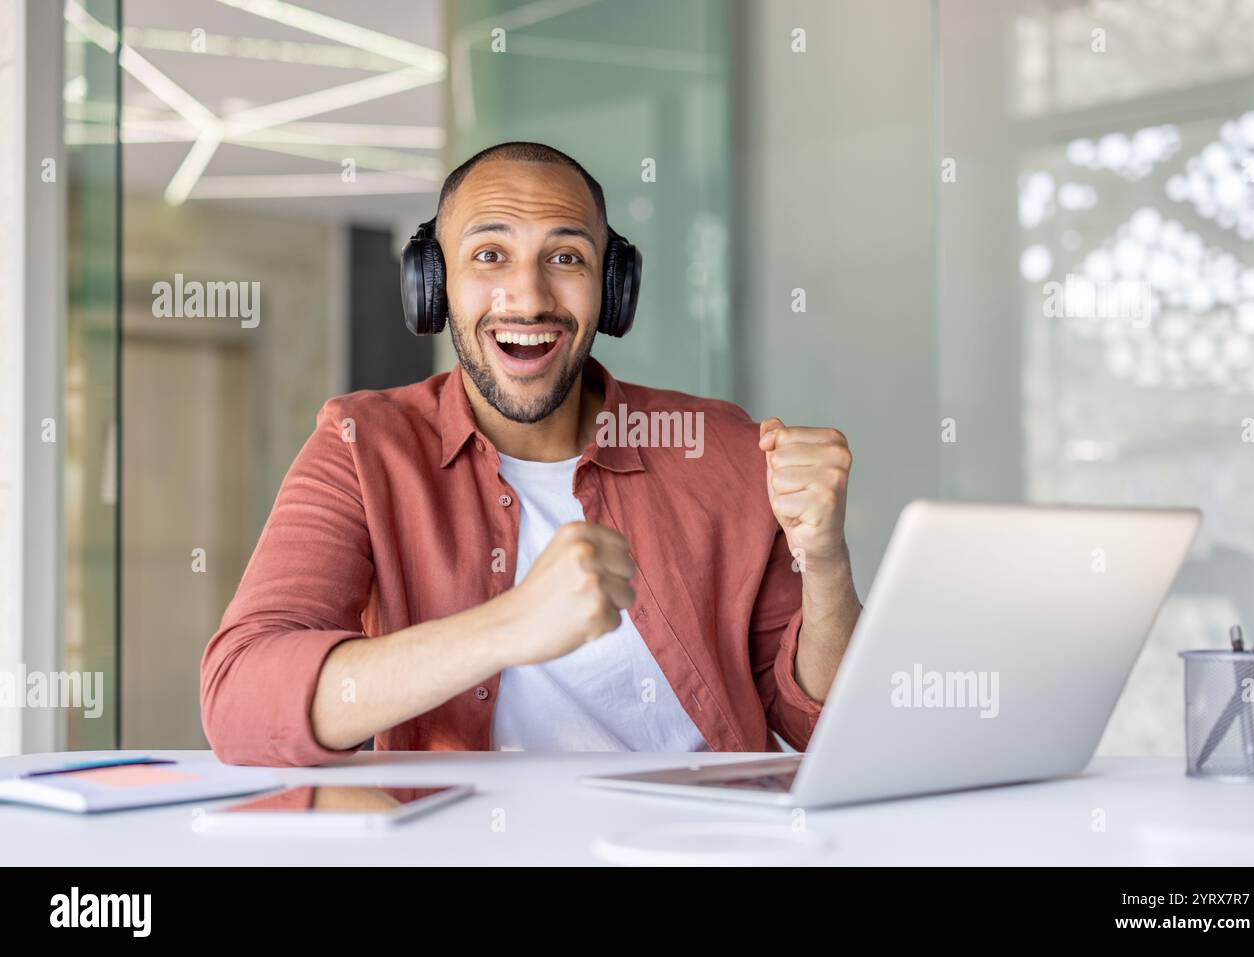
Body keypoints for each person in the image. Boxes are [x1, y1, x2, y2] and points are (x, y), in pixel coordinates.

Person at [200, 141, 861, 766]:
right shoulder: (362, 446)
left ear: (613, 288)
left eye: (566, 257)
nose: (530, 297)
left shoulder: (718, 445)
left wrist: (826, 559)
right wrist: (509, 626)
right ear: (434, 284)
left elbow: (819, 722)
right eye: (490, 255)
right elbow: (241, 699)